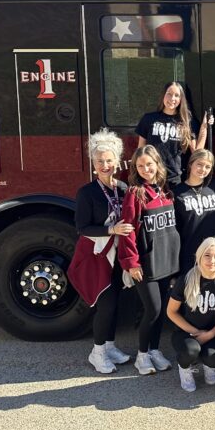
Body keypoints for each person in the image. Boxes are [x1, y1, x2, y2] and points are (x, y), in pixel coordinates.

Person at [66, 129, 134, 374]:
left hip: (117, 255)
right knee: (105, 305)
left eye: (109, 160)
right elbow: (82, 227)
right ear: (93, 164)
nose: (105, 165)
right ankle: (97, 352)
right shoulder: (87, 192)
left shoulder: (123, 187)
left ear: (117, 161)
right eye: (100, 161)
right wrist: (112, 229)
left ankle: (109, 345)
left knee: (115, 302)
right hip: (97, 255)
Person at [118, 144, 181, 375]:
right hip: (146, 264)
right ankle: (142, 355)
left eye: (149, 164)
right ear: (135, 168)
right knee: (152, 310)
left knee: (160, 309)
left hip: (165, 261)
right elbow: (128, 231)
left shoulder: (165, 191)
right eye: (141, 166)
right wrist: (131, 263)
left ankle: (154, 350)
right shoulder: (136, 194)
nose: (146, 169)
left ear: (158, 165)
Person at [166, 237, 215, 392]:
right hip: (186, 332)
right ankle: (184, 367)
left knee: (214, 358)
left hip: (213, 332)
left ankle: (209, 365)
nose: (212, 261)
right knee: (191, 351)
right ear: (199, 256)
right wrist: (195, 332)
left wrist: (210, 334)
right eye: (207, 255)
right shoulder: (185, 279)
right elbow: (171, 312)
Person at [136, 81, 213, 185]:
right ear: (163, 95)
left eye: (177, 95)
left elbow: (197, 152)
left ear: (181, 99)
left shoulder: (187, 121)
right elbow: (140, 151)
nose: (172, 99)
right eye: (169, 94)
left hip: (175, 180)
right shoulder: (148, 119)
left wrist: (204, 126)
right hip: (152, 178)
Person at [173, 149, 215, 276]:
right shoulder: (177, 192)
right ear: (191, 164)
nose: (203, 169)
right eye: (199, 164)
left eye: (207, 166)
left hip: (213, 254)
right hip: (189, 253)